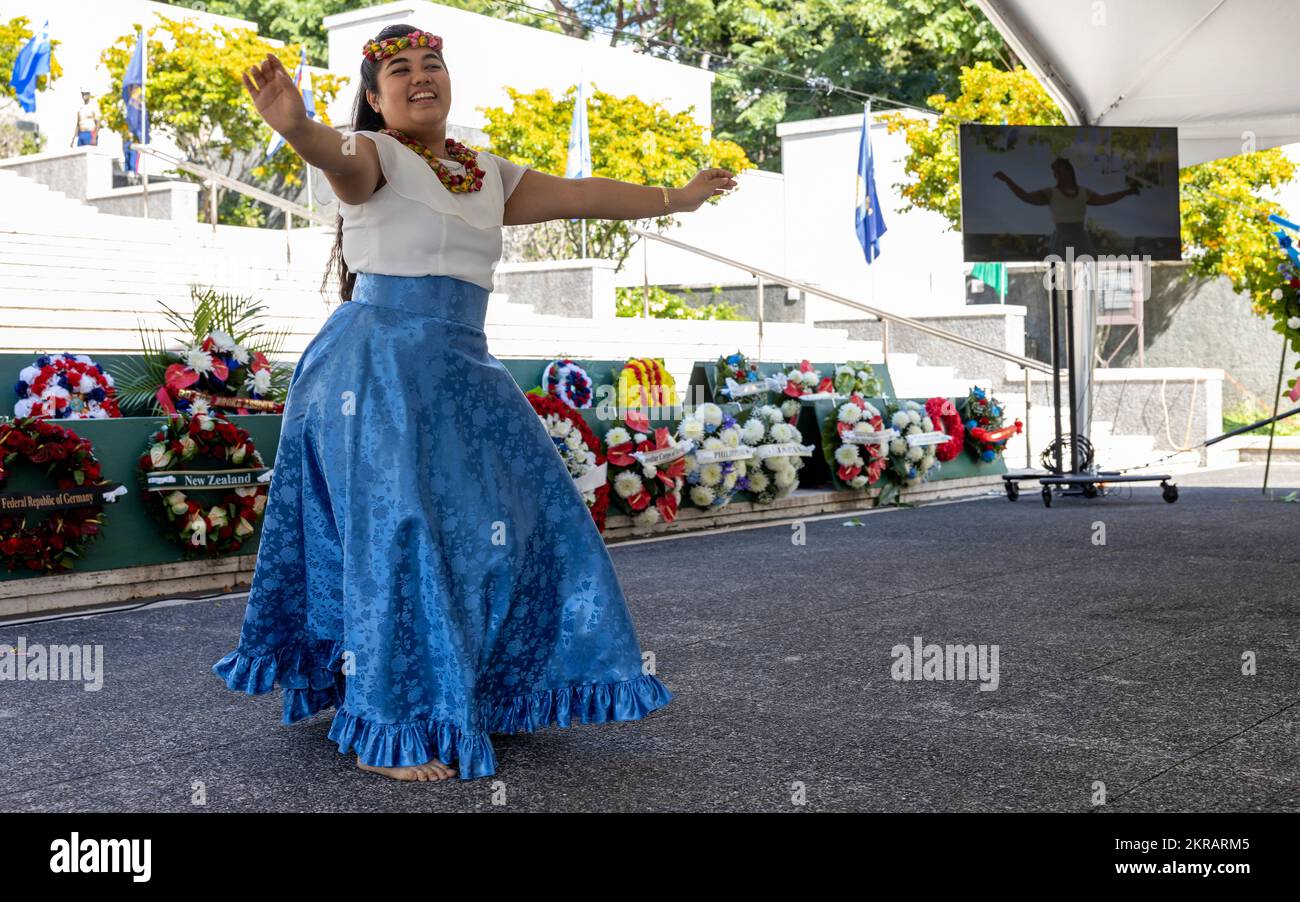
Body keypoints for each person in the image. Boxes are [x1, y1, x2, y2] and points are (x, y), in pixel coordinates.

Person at [214, 24, 737, 783]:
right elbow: (336, 157)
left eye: (432, 64)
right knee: (402, 533)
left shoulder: (484, 171)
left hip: (462, 368)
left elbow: (585, 195)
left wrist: (676, 198)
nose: (419, 77)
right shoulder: (375, 158)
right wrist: (294, 125)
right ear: (373, 95)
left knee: (538, 516)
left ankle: (487, 686)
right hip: (374, 370)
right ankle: (387, 726)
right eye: (399, 69)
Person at [992, 157, 1138, 260]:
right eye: (1055, 173)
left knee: (1084, 270)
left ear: (1069, 171)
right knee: (1061, 272)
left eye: (1059, 171)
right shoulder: (1050, 193)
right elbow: (1026, 196)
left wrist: (1125, 193)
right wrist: (1007, 180)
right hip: (1061, 239)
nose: (1057, 175)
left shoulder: (1083, 192)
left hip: (1080, 238)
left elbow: (1103, 199)